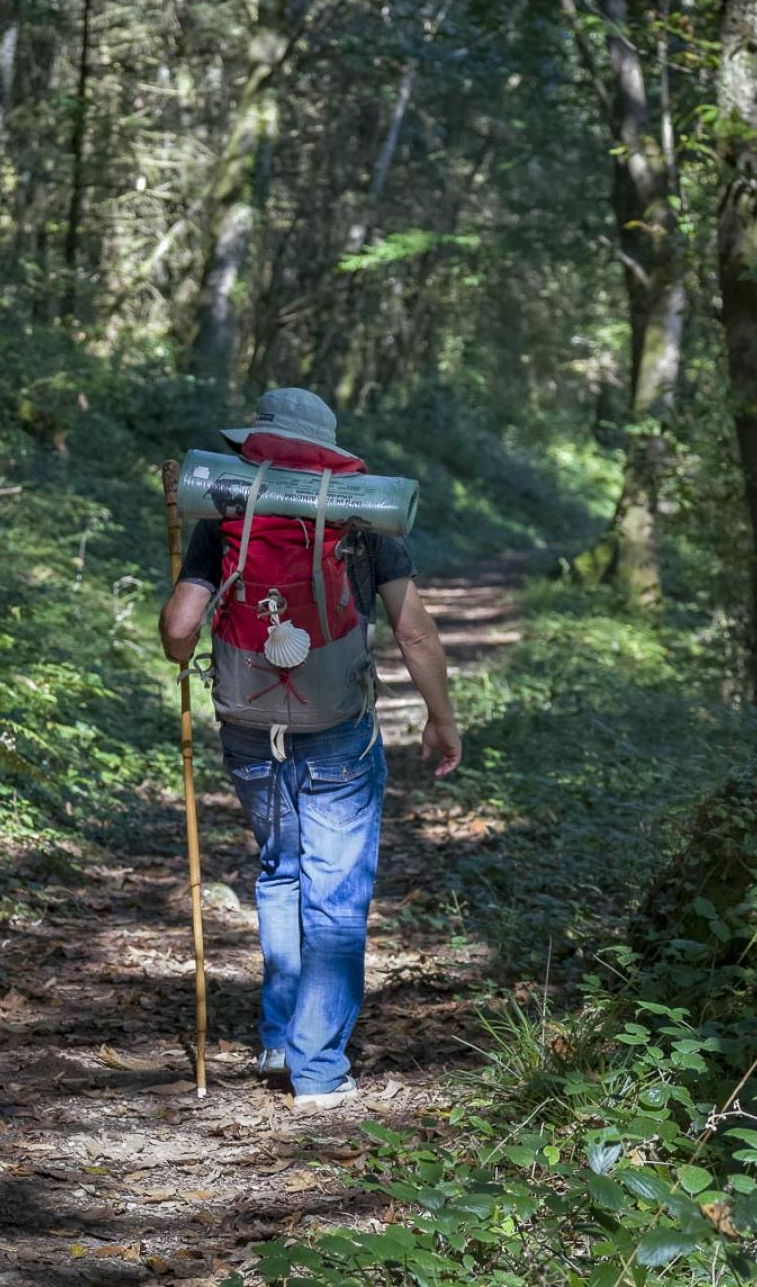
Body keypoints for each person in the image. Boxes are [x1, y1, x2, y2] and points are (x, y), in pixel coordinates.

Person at [158, 388, 461, 1110]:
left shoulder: (230, 511)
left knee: (280, 872)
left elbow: (178, 629)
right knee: (337, 889)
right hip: (337, 728)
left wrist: (187, 647)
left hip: (247, 722)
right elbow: (413, 632)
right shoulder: (362, 512)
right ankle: (318, 1068)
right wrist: (441, 716)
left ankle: (276, 1037)